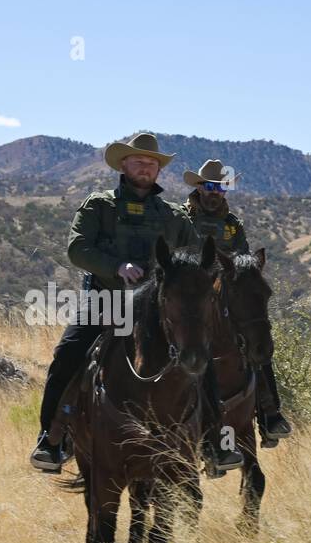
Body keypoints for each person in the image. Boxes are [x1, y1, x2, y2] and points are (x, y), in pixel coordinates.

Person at [30, 133, 244, 476]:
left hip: (159, 310)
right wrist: (116, 266)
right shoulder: (99, 205)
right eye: (139, 161)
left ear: (159, 170)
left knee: (198, 356)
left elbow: (196, 256)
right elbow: (77, 249)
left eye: (152, 163)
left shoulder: (173, 216)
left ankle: (214, 440)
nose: (146, 168)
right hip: (108, 299)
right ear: (123, 165)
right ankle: (52, 439)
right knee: (68, 353)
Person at [182, 158, 293, 446]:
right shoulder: (183, 218)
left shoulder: (233, 225)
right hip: (191, 295)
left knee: (255, 344)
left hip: (225, 297)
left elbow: (242, 260)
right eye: (209, 186)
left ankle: (270, 414)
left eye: (221, 187)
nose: (214, 192)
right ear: (199, 187)